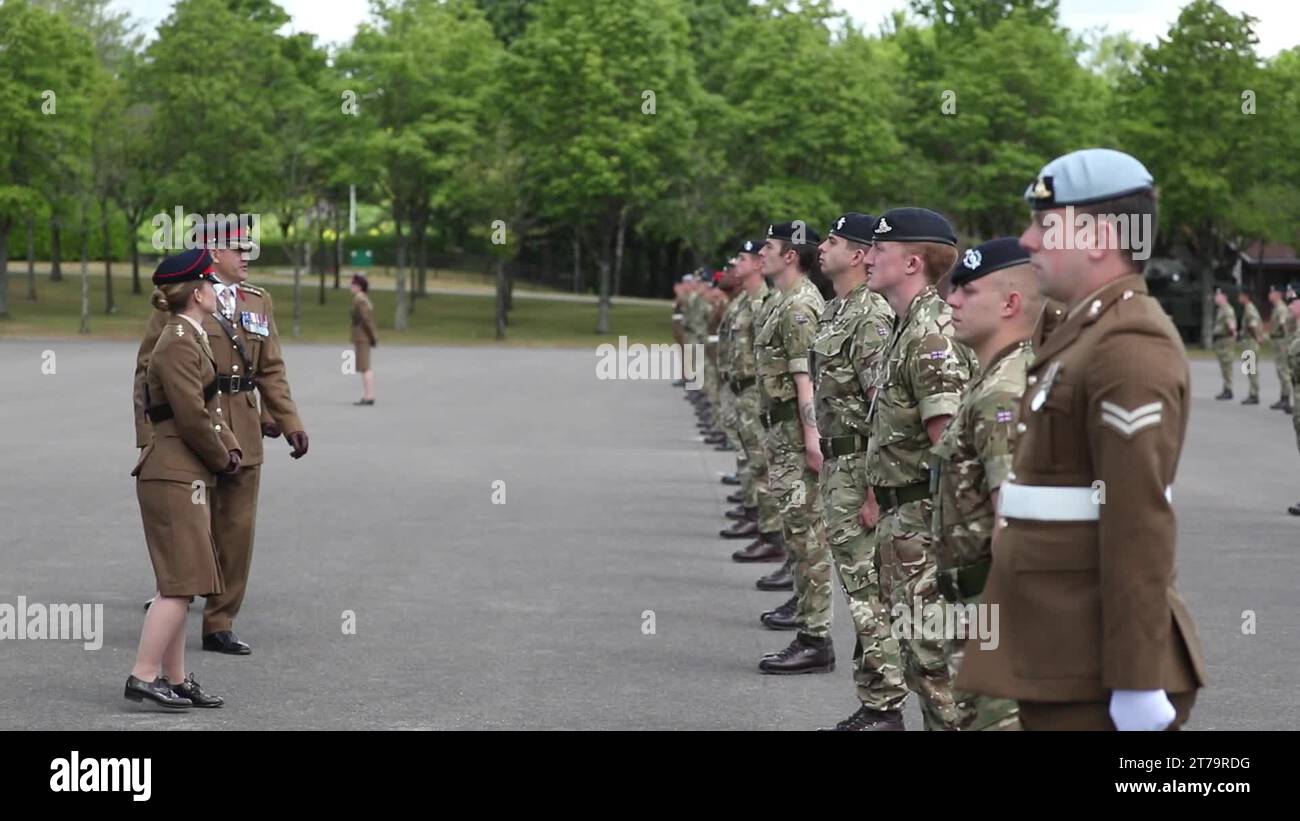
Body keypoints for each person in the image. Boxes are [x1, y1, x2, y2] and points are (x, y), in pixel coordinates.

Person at [957, 148, 1207, 731]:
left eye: (1047, 225)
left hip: (1092, 665)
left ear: (1098, 237)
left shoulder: (1129, 343)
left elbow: (1137, 522)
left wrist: (1138, 679)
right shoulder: (1084, 331)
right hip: (1058, 648)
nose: (1029, 241)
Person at [133, 223, 308, 655]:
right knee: (189, 523)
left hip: (244, 425)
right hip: (192, 432)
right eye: (237, 248)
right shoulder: (180, 299)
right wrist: (148, 436)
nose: (246, 255)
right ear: (212, 252)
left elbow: (271, 370)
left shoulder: (258, 301)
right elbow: (146, 370)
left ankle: (220, 621)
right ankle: (174, 602)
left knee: (236, 528)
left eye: (248, 248)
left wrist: (289, 421)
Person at [859, 207, 976, 730]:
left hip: (924, 527)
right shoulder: (904, 327)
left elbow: (948, 447)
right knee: (917, 660)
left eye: (880, 250)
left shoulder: (930, 337)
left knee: (935, 669)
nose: (869, 256)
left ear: (911, 262)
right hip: (900, 522)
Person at [800, 213, 910, 726]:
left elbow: (879, 409)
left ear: (862, 255)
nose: (822, 247)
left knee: (867, 592)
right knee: (856, 587)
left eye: (834, 240)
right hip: (839, 465)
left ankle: (886, 705)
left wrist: (872, 492)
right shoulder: (836, 310)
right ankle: (874, 701)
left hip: (857, 469)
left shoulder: (869, 317)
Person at [933, 237, 1043, 731]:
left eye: (967, 291)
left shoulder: (1003, 392)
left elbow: (1014, 523)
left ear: (1010, 303)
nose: (952, 300)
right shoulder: (996, 377)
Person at [126, 249, 236, 709]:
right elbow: (192, 416)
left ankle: (174, 676)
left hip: (181, 471)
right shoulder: (176, 341)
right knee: (178, 584)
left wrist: (228, 445)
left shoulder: (188, 334)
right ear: (196, 291)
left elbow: (206, 411)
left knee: (180, 580)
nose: (216, 289)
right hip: (172, 472)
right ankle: (143, 675)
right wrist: (224, 457)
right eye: (210, 282)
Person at [753, 221, 833, 675]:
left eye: (769, 246)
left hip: (794, 435)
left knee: (810, 540)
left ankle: (816, 638)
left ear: (790, 256)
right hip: (779, 435)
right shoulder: (781, 302)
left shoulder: (800, 306)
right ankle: (806, 619)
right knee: (798, 536)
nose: (761, 252)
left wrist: (811, 438)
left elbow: (807, 379)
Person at [727, 239, 787, 569]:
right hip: (746, 389)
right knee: (752, 459)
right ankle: (759, 521)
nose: (737, 263)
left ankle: (771, 535)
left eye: (742, 257)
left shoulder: (767, 302)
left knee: (763, 465)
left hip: (758, 391)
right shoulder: (745, 301)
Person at [351, 273, 378, 405]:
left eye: (354, 284)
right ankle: (368, 394)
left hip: (363, 337)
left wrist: (372, 337)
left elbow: (365, 320)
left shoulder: (360, 300)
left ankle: (369, 396)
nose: (351, 286)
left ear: (359, 286)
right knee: (364, 367)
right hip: (362, 336)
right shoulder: (361, 298)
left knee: (365, 367)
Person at [1268, 285, 1293, 413]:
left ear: (1278, 295)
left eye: (1272, 293)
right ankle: (1283, 397)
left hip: (1282, 342)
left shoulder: (1281, 308)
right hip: (1277, 341)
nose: (1269, 295)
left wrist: (1287, 343)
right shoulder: (1277, 308)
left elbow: (1284, 326)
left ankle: (1286, 399)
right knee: (1280, 370)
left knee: (1283, 370)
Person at [1237, 290, 1264, 405]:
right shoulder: (1248, 308)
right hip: (1248, 341)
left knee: (1251, 369)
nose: (1239, 298)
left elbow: (1253, 324)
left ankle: (1254, 394)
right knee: (1249, 369)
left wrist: (1258, 337)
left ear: (1246, 297)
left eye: (1240, 296)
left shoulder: (1249, 309)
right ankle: (1253, 393)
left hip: (1250, 342)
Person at [1212, 288, 1237, 400]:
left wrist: (1232, 333)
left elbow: (1231, 324)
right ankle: (1226, 388)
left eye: (1218, 296)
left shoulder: (1227, 309)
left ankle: (1229, 389)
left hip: (1226, 340)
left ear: (1224, 297)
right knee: (1224, 365)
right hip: (1221, 340)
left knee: (1227, 365)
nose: (1216, 298)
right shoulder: (1221, 309)